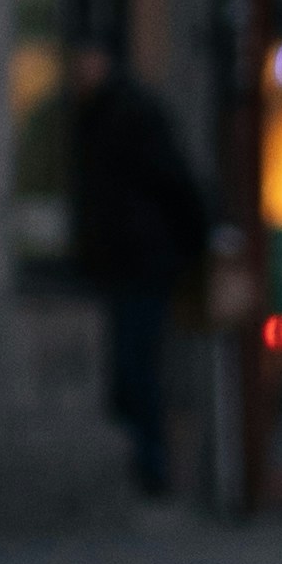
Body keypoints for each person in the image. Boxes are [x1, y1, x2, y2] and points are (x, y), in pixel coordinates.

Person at [68, 38, 213, 497]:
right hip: (123, 260)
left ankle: (153, 467)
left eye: (85, 61)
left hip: (143, 260)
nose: (78, 71)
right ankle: (145, 464)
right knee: (131, 365)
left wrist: (194, 243)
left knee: (137, 364)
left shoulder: (131, 113)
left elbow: (174, 180)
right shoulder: (96, 114)